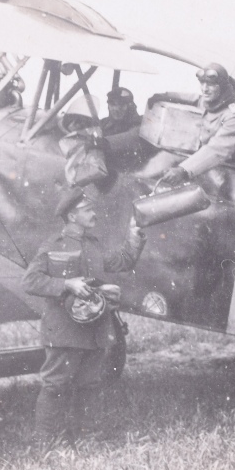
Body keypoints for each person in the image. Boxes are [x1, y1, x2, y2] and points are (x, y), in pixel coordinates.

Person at [22, 188, 146, 448]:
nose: (94, 214)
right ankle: (46, 441)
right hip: (64, 330)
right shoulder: (54, 245)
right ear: (72, 215)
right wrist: (67, 284)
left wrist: (134, 236)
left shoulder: (93, 245)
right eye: (88, 210)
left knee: (89, 383)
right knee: (55, 384)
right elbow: (31, 280)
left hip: (95, 328)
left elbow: (122, 261)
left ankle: (85, 437)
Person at [145, 62, 235, 187]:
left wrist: (183, 170)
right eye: (202, 83)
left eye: (211, 84)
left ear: (223, 86)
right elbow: (190, 98)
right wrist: (162, 96)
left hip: (233, 169)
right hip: (207, 161)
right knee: (160, 161)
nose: (205, 89)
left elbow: (217, 149)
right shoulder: (211, 100)